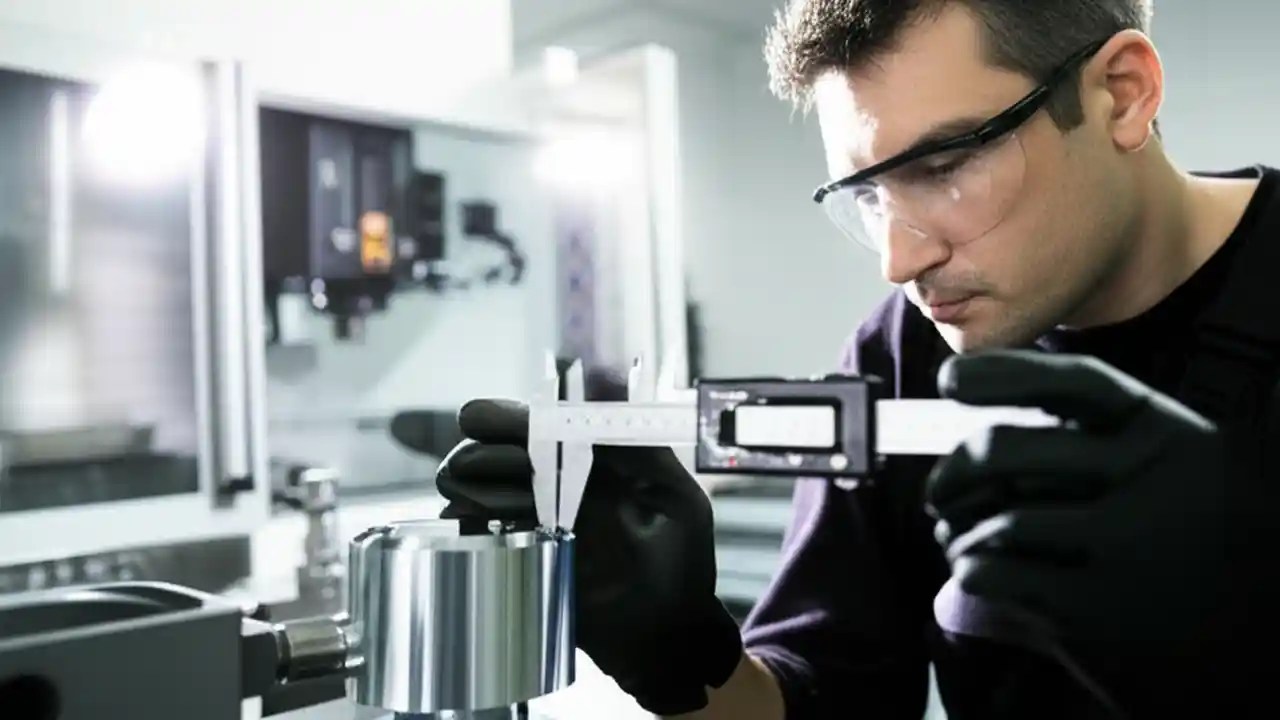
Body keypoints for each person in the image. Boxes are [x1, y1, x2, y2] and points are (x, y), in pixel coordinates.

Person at [435, 1, 1280, 718]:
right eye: (869, 195)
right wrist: (683, 658)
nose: (898, 260)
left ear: (1122, 95)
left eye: (945, 167)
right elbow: (823, 697)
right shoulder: (903, 350)